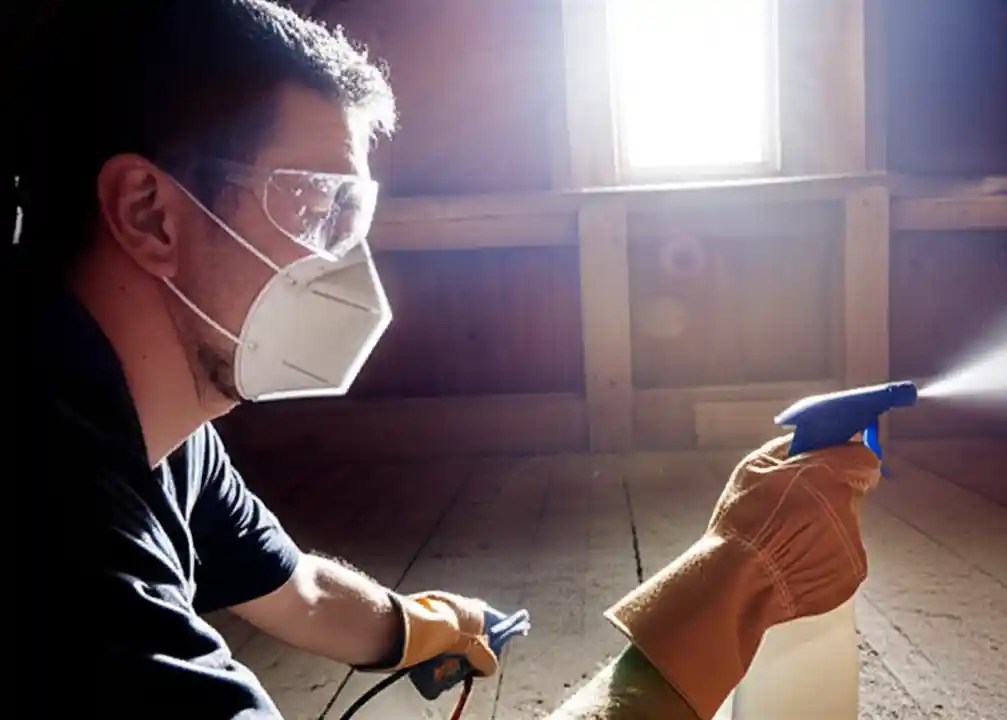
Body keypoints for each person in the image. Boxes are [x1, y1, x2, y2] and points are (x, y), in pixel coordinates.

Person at [7, 2, 882, 718]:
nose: (349, 268)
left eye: (356, 220)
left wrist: (422, 627)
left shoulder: (149, 424)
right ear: (149, 213)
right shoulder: (57, 535)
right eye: (318, 212)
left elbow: (299, 592)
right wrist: (731, 584)